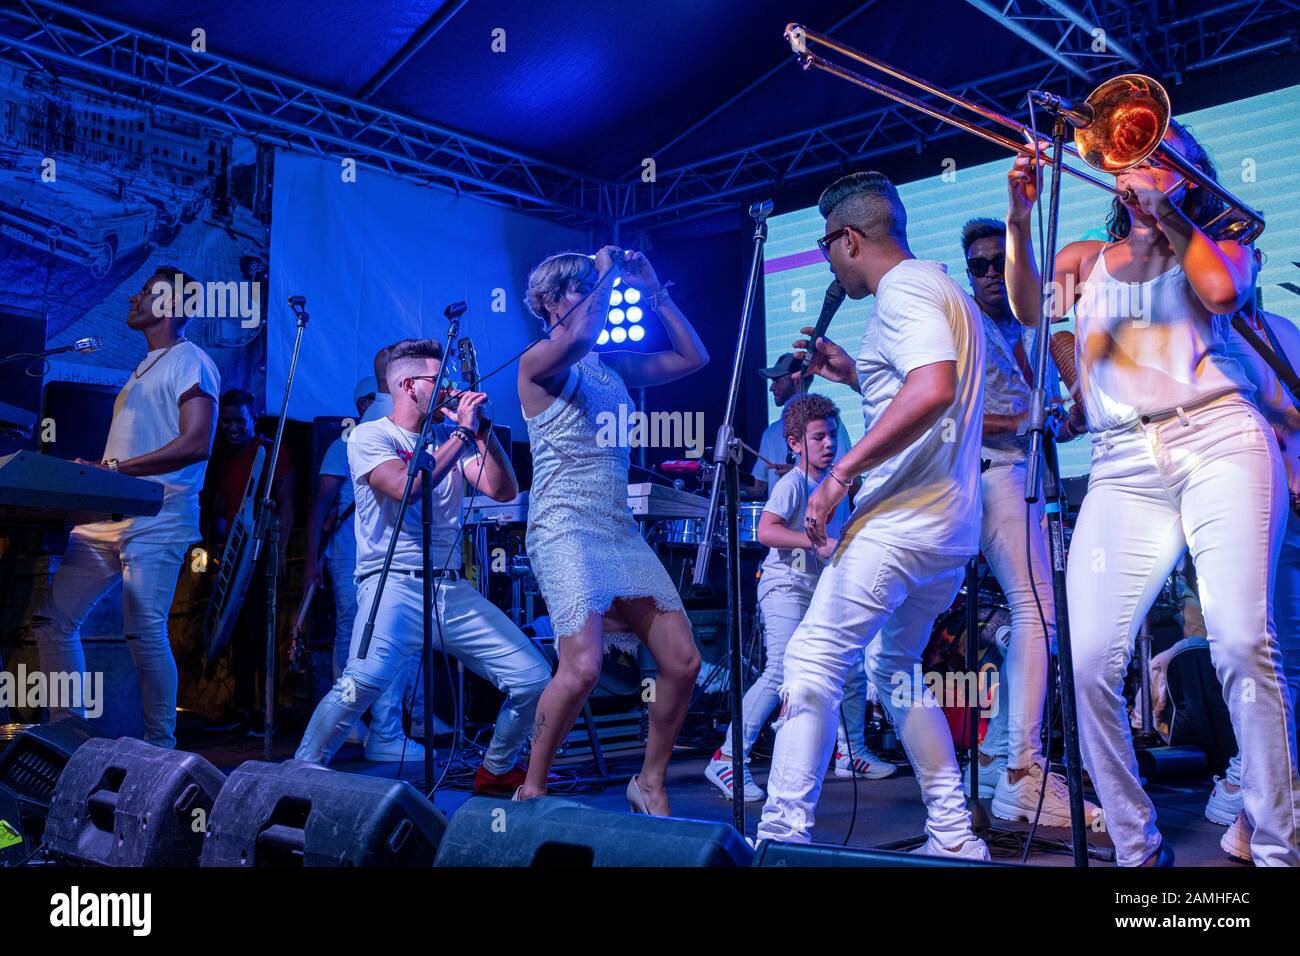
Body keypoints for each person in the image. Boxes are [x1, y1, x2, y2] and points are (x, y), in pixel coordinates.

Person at [1005, 120, 1300, 866]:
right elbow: (1031, 309)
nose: (1139, 169)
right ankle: (1137, 850)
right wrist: (1019, 217)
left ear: (1189, 177)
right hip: (1119, 461)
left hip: (1220, 439)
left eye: (1160, 160)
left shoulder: (1225, 243)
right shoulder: (1086, 260)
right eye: (1132, 158)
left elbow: (1223, 291)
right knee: (1091, 661)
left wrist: (1169, 211)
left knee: (1240, 641)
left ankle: (1276, 846)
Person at [756, 171, 989, 859]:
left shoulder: (904, 290)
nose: (828, 262)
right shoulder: (948, 292)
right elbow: (926, 385)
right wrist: (858, 375)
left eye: (827, 248)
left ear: (849, 240)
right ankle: (952, 836)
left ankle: (781, 841)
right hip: (949, 527)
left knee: (810, 663)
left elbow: (934, 388)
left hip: (899, 521)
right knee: (895, 668)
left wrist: (839, 479)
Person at [295, 338, 550, 795]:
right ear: (409, 385)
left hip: (450, 591)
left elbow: (503, 489)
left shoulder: (450, 440)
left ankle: (495, 769)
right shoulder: (370, 435)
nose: (449, 388)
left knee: (532, 677)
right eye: (439, 381)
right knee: (360, 685)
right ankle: (300, 773)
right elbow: (404, 486)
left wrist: (483, 431)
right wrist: (460, 435)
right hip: (391, 584)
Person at [515, 247, 708, 814]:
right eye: (577, 289)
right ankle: (533, 786)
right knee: (583, 669)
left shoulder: (614, 366)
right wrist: (605, 272)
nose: (594, 296)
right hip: (564, 528)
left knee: (683, 662)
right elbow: (576, 339)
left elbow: (693, 356)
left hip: (617, 531)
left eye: (591, 286)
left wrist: (654, 289)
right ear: (549, 303)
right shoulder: (539, 362)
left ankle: (648, 781)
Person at [33, 265, 220, 748]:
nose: (133, 297)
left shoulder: (190, 360)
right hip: (107, 519)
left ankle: (161, 749)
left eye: (147, 292)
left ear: (174, 307)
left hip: (160, 516)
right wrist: (99, 477)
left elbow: (197, 443)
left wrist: (112, 469)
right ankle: (67, 732)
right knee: (53, 620)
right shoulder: (140, 368)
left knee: (143, 631)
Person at [956, 217, 1100, 828]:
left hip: (1030, 478)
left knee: (1033, 620)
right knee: (1036, 612)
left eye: (1000, 263)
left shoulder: (1038, 332)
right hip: (990, 475)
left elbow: (1052, 416)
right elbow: (952, 411)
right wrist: (1022, 424)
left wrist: (1066, 422)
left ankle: (997, 757)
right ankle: (1022, 771)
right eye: (981, 266)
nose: (992, 274)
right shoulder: (962, 324)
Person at [705, 394, 895, 801]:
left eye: (831, 436)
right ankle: (727, 757)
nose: (829, 444)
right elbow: (767, 532)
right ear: (794, 444)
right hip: (785, 588)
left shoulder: (836, 485)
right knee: (778, 672)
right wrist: (816, 544)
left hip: (819, 588)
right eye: (818, 437)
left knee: (852, 668)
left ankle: (852, 754)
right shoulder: (793, 483)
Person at [1212, 243, 1300, 862]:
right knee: (1263, 649)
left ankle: (1261, 808)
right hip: (1256, 501)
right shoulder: (1204, 327)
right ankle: (1250, 799)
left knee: (1291, 656)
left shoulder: (1286, 330)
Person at [203, 388, 294, 732]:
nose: (232, 428)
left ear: (253, 418)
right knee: (237, 633)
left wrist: (281, 551)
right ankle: (241, 707)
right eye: (225, 422)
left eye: (239, 421)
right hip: (233, 557)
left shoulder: (271, 453)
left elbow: (287, 502)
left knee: (260, 632)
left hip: (261, 555)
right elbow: (221, 510)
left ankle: (263, 710)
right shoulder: (224, 460)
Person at [750, 354, 852, 497]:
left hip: (824, 517)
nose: (772, 388)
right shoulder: (770, 432)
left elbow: (848, 476)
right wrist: (723, 476)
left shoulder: (829, 424)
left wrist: (800, 474)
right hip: (784, 519)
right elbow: (758, 487)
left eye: (777, 380)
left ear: (797, 381)